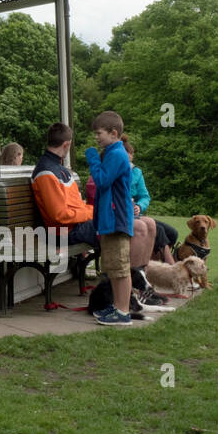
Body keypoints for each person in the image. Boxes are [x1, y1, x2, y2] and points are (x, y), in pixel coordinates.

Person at [84, 111, 135, 326]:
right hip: (110, 220)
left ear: (114, 133)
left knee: (120, 267)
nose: (96, 138)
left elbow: (103, 181)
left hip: (116, 220)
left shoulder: (116, 154)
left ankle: (123, 312)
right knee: (113, 267)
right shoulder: (114, 151)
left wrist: (93, 158)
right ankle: (118, 307)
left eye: (99, 133)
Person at [30, 123, 98, 250]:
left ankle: (135, 269)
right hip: (62, 234)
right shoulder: (46, 172)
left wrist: (95, 211)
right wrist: (94, 212)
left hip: (74, 227)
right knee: (123, 227)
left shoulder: (60, 169)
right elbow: (60, 215)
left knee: (134, 223)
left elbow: (76, 205)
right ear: (66, 144)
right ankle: (127, 269)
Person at [123, 136, 177, 262]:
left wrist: (140, 206)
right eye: (127, 155)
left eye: (131, 155)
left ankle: (154, 263)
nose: (130, 159)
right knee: (160, 231)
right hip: (126, 215)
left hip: (137, 213)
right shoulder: (115, 171)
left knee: (172, 233)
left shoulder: (136, 172)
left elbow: (144, 196)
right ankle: (171, 268)